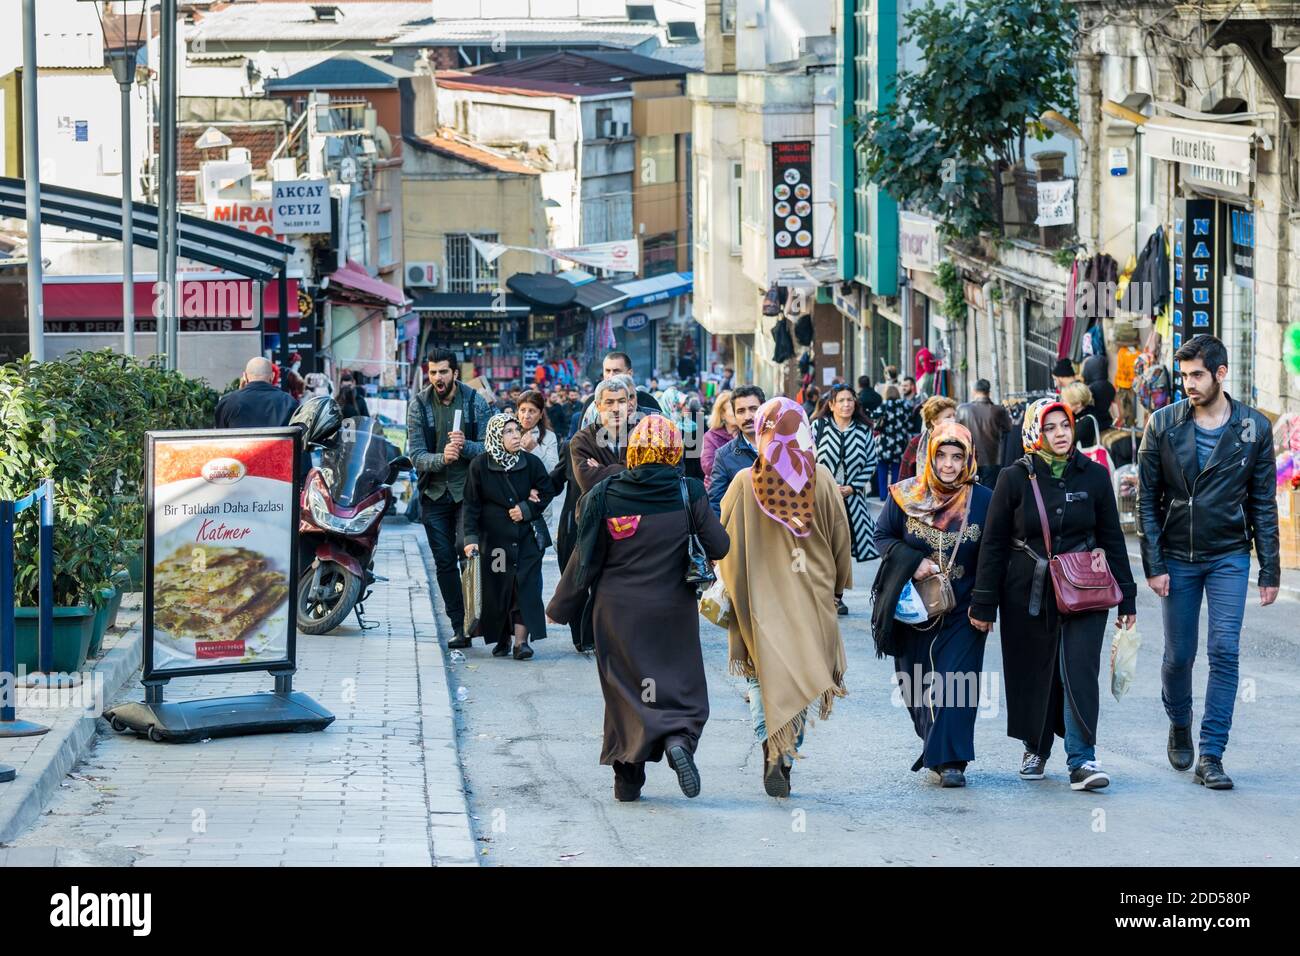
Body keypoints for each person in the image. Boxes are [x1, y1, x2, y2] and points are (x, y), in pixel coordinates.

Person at [548, 416, 729, 802]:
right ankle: (678, 738)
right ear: (673, 450)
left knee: (625, 692)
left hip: (616, 614)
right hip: (672, 612)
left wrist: (560, 607)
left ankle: (628, 779)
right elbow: (720, 546)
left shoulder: (605, 494)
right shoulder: (689, 492)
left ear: (633, 451)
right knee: (679, 684)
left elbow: (585, 558)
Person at [970, 399, 1137, 791]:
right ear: (1035, 433)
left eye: (1066, 425)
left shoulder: (1094, 477)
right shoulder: (1014, 478)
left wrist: (1127, 599)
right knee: (1035, 670)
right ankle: (1036, 746)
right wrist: (983, 603)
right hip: (1027, 590)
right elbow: (993, 543)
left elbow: (1113, 538)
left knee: (1078, 670)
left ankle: (1082, 758)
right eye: (1051, 427)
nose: (1061, 433)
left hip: (1085, 591)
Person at [1138, 334, 1279, 790]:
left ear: (1220, 374)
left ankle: (1212, 754)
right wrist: (1154, 564)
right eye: (1184, 376)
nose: (1188, 384)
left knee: (1225, 651)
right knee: (1179, 656)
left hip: (1229, 556)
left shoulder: (1254, 428)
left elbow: (1263, 501)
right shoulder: (1162, 425)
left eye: (1197, 375)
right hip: (1177, 556)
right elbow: (1146, 500)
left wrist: (1270, 569)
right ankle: (1179, 721)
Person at [718, 397, 852, 797]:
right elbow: (840, 539)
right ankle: (786, 752)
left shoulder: (744, 481)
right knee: (803, 674)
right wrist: (839, 586)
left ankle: (771, 749)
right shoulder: (822, 478)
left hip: (759, 598)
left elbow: (720, 539)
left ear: (761, 432)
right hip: (811, 597)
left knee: (762, 678)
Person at [873, 421, 992, 788]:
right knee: (915, 685)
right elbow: (882, 536)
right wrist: (913, 561)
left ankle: (952, 759)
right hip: (914, 608)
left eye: (958, 457)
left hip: (964, 605)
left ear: (968, 459)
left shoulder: (984, 500)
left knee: (957, 680)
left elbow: (995, 553)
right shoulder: (904, 495)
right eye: (941, 455)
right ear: (929, 455)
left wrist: (986, 605)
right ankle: (934, 744)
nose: (949, 464)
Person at [407, 348, 495, 649]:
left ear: (455, 373)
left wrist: (466, 446)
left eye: (443, 372)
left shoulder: (474, 402)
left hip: (467, 493)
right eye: (432, 372)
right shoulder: (419, 404)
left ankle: (475, 618)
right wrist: (441, 458)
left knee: (466, 553)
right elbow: (416, 455)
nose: (437, 378)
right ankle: (458, 625)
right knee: (443, 561)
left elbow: (489, 448)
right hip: (433, 493)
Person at [462, 413, 557, 660]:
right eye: (508, 431)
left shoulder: (531, 463)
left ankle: (521, 643)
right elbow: (471, 505)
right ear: (496, 435)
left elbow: (548, 491)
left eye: (517, 430)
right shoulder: (480, 466)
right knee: (499, 588)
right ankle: (502, 637)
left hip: (527, 538)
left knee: (525, 587)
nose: (516, 435)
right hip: (495, 542)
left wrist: (527, 509)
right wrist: (470, 538)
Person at [812, 385, 881, 598]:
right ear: (831, 405)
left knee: (844, 549)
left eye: (850, 400)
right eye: (841, 400)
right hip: (822, 499)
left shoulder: (863, 430)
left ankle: (837, 594)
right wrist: (826, 486)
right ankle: (824, 591)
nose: (846, 404)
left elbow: (871, 461)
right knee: (823, 545)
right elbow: (807, 459)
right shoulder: (818, 427)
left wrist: (853, 486)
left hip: (853, 501)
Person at [568, 351, 661, 439]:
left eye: (616, 371)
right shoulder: (592, 402)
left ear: (629, 373)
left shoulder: (646, 401)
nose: (611, 376)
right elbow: (583, 437)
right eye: (607, 371)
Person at [707, 385, 765, 516]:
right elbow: (716, 505)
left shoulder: (782, 447)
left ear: (764, 409)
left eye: (753, 409)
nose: (747, 416)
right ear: (734, 415)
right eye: (740, 411)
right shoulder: (724, 456)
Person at [517, 389, 560, 534]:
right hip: (514, 501)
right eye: (522, 410)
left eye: (532, 411)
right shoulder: (508, 433)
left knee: (536, 547)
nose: (526, 415)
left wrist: (534, 449)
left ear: (541, 414)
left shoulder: (549, 437)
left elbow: (553, 470)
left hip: (539, 502)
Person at [957, 378, 1013, 489]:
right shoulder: (998, 410)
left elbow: (956, 431)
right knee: (989, 493)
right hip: (992, 458)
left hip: (969, 458)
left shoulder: (962, 409)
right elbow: (1008, 428)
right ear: (989, 392)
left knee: (970, 493)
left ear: (974, 391)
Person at [215, 357, 298, 428]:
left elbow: (221, 437)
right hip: (279, 447)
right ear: (272, 376)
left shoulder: (227, 402)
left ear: (244, 376)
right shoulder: (289, 402)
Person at [899, 396, 957, 481]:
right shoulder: (917, 443)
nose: (953, 420)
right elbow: (904, 478)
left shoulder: (962, 440)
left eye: (954, 416)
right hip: (924, 492)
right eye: (948, 417)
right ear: (933, 421)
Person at [874, 385, 911, 499]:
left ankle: (883, 495)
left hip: (884, 442)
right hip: (899, 443)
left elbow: (874, 419)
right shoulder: (905, 405)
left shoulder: (883, 406)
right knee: (896, 469)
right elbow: (910, 423)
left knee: (882, 468)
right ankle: (894, 495)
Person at [701, 389, 737, 491]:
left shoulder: (747, 434)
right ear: (722, 414)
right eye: (732, 408)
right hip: (718, 491)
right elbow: (708, 466)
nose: (737, 411)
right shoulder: (711, 436)